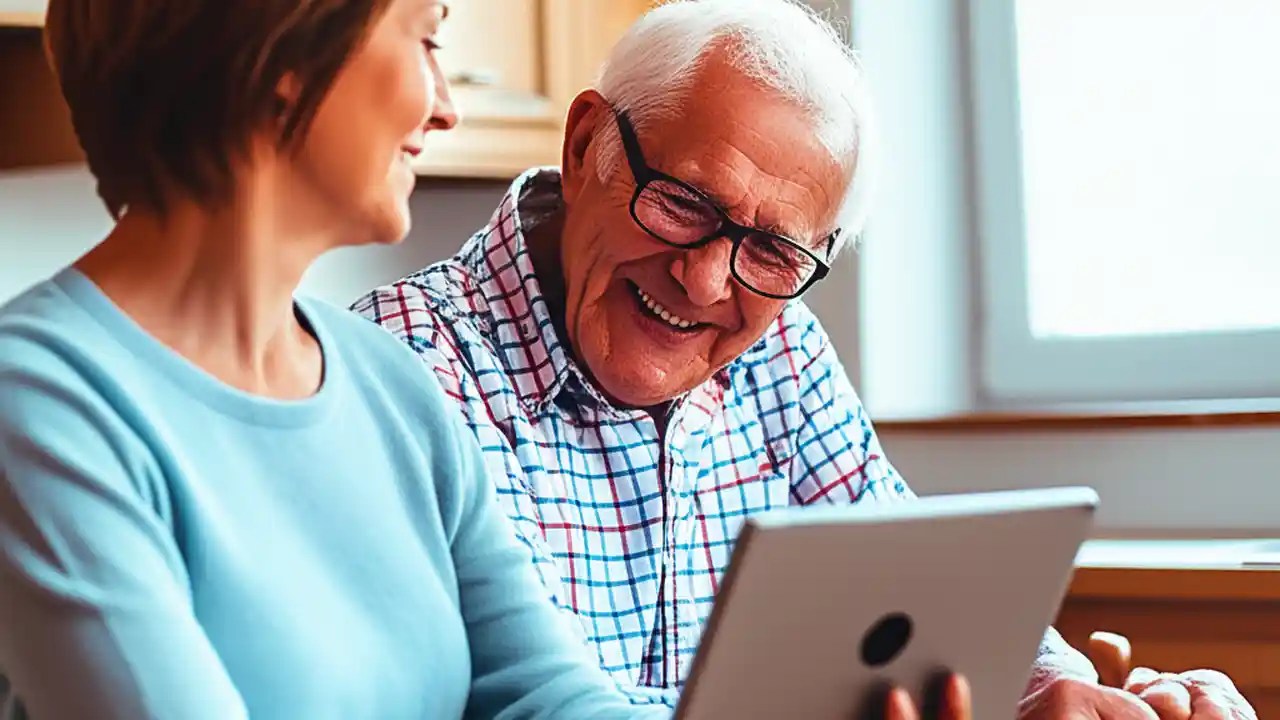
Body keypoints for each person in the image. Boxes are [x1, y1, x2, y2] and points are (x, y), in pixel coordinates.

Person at [352, 1, 1257, 719]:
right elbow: (519, 702)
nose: (707, 281)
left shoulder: (778, 339)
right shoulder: (406, 365)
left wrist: (1056, 694)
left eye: (773, 254)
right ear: (587, 144)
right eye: (681, 202)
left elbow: (912, 571)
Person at [0, 1, 678, 718]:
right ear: (282, 57)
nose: (446, 108)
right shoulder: (41, 406)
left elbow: (548, 694)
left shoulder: (391, 384)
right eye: (425, 40)